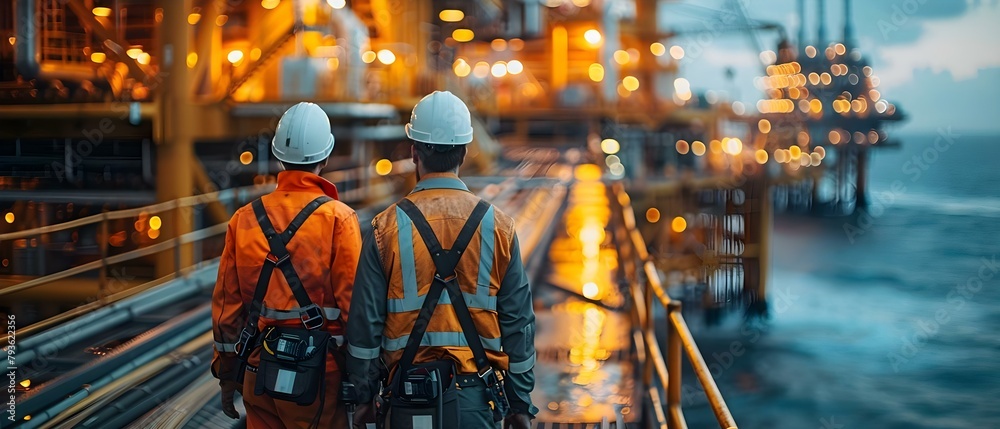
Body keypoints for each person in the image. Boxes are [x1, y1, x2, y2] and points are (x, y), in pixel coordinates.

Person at [346, 91, 537, 428]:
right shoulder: (499, 227)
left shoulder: (384, 229)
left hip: (406, 398)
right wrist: (519, 403)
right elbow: (518, 325)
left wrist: (363, 397)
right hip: (477, 401)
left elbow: (365, 325)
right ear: (464, 152)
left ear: (413, 152)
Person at [211, 102, 362, 428]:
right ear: (326, 155)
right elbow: (355, 308)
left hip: (259, 371)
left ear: (279, 156)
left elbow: (226, 310)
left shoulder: (244, 218)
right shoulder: (338, 219)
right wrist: (365, 380)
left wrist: (227, 375)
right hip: (318, 378)